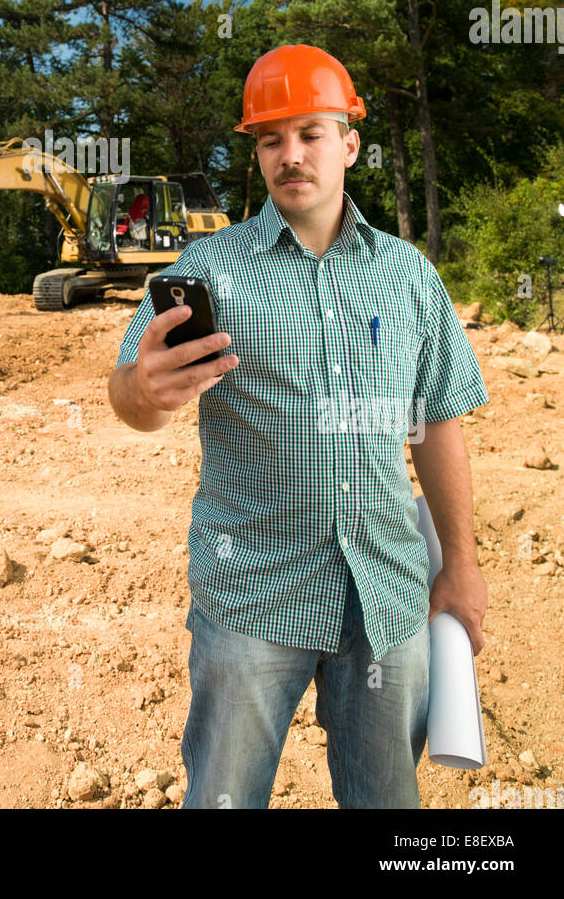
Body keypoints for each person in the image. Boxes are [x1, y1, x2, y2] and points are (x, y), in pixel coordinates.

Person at [106, 43, 489, 809]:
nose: (290, 155)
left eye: (309, 133)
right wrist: (143, 390)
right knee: (224, 794)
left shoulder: (407, 275)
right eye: (270, 139)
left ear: (347, 143)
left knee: (387, 803)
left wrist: (462, 566)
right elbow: (131, 397)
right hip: (252, 594)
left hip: (387, 591)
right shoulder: (207, 268)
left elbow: (438, 422)